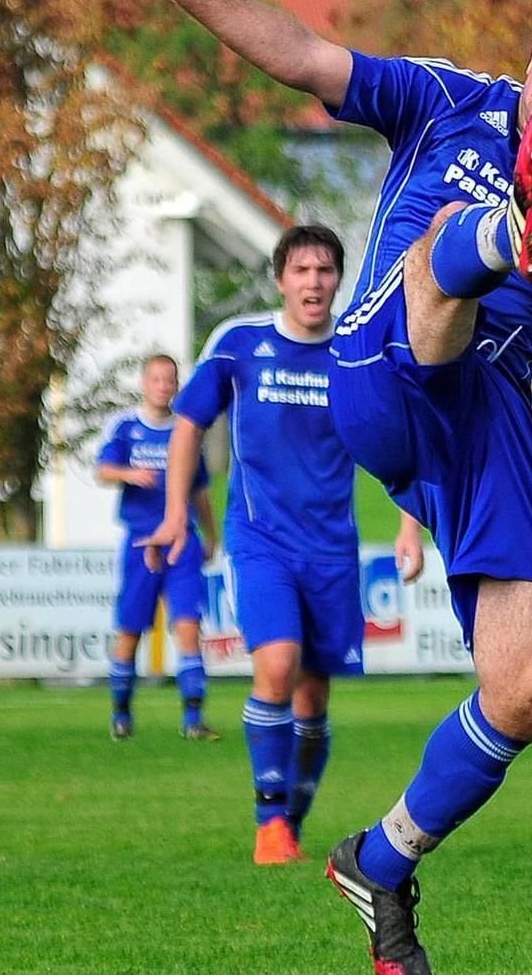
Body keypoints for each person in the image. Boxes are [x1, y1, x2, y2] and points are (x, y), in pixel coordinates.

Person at [67, 0, 532, 975]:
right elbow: (300, 55)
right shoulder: (445, 98)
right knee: (440, 261)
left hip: (482, 420)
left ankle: (378, 858)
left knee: (528, 690)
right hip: (385, 361)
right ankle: (501, 229)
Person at [145, 225, 425, 865]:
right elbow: (188, 425)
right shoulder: (239, 344)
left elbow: (396, 443)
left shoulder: (357, 352)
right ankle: (268, 822)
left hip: (331, 549)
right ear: (281, 280)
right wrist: (174, 515)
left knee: (313, 699)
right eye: (301, 270)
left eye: (325, 270)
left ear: (338, 280)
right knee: (276, 664)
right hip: (260, 540)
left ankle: (289, 820)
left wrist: (409, 523)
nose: (314, 282)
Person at [96, 354, 219, 741]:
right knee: (130, 629)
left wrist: (211, 535)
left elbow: (199, 491)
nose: (164, 386)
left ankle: (192, 719)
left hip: (182, 544)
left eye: (170, 380)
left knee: (188, 625)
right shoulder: (127, 429)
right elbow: (101, 470)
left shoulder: (185, 433)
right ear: (144, 384)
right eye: (157, 380)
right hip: (140, 541)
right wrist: (129, 474)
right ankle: (121, 713)